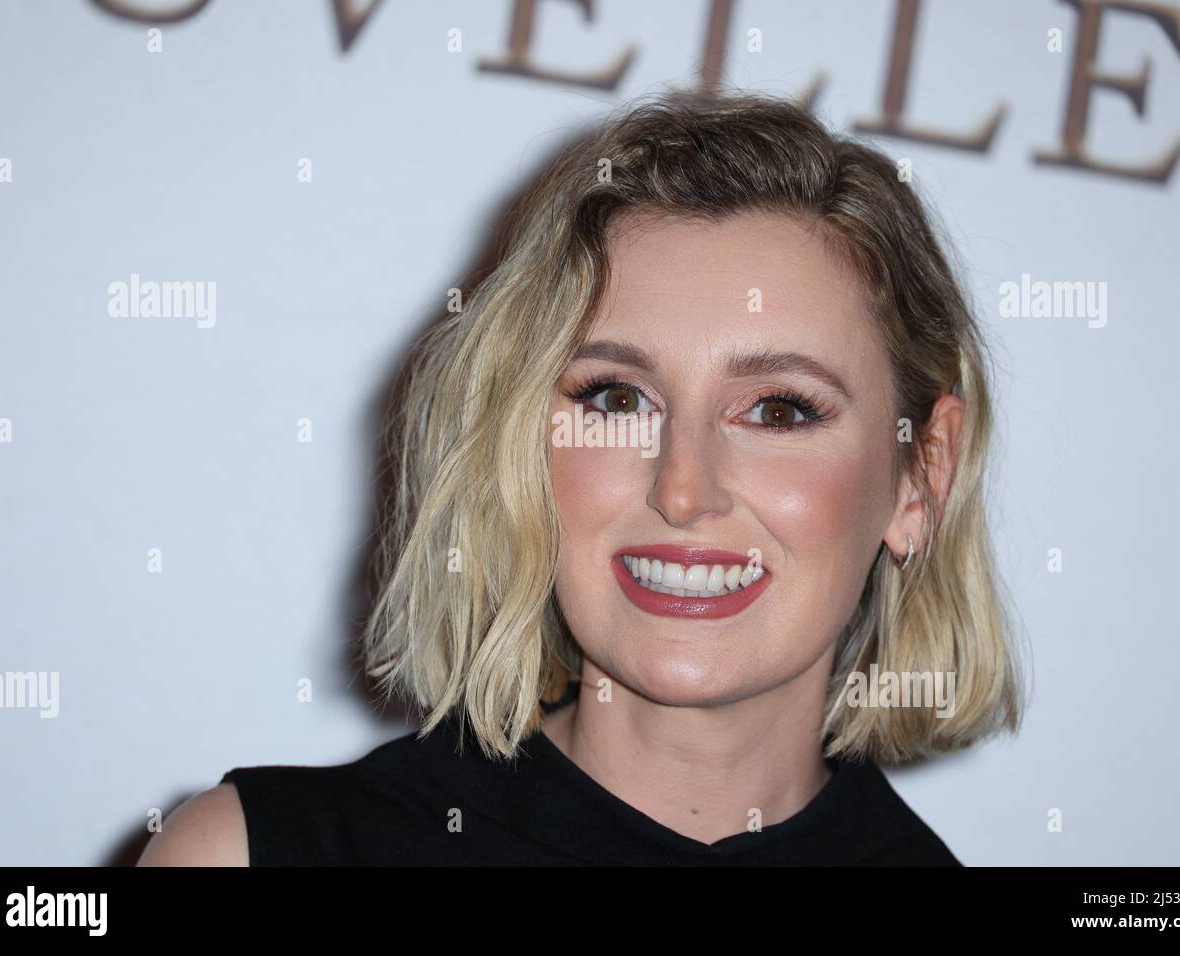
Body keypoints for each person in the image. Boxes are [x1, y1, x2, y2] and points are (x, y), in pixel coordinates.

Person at [139, 89, 1024, 867]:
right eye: (615, 397)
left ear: (922, 474)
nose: (684, 490)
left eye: (779, 410)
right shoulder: (247, 855)